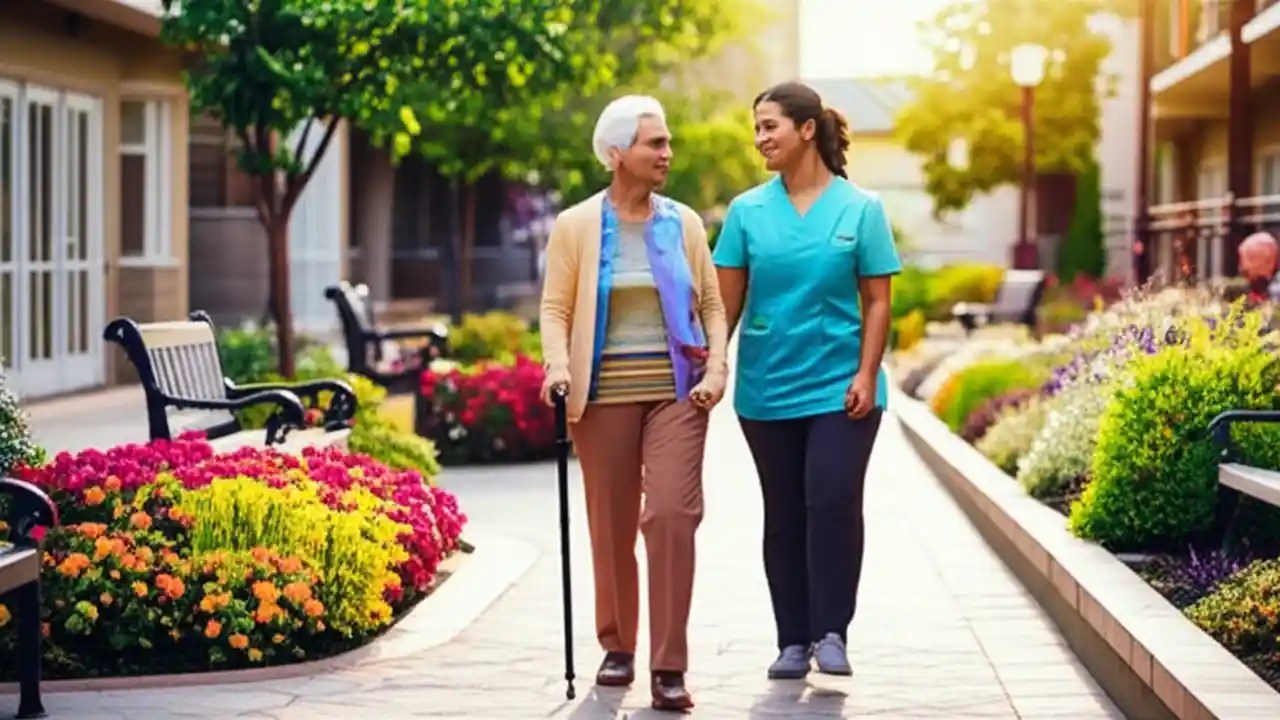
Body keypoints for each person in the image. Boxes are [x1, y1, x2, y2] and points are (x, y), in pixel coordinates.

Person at [538, 94, 730, 711]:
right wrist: (558, 364)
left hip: (678, 389)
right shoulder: (575, 226)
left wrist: (718, 366)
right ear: (618, 153)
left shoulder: (685, 222)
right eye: (656, 143)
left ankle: (668, 664)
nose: (667, 153)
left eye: (668, 142)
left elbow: (712, 304)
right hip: (603, 395)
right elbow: (555, 308)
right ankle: (618, 645)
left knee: (671, 515)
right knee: (612, 523)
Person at [712, 81, 901, 679]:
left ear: (807, 129)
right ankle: (792, 640)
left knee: (834, 496)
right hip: (766, 387)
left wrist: (867, 373)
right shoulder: (746, 212)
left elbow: (876, 301)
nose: (760, 139)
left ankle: (832, 631)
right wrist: (711, 366)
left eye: (770, 126)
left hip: (841, 387)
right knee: (785, 509)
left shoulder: (861, 209)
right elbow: (724, 306)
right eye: (757, 129)